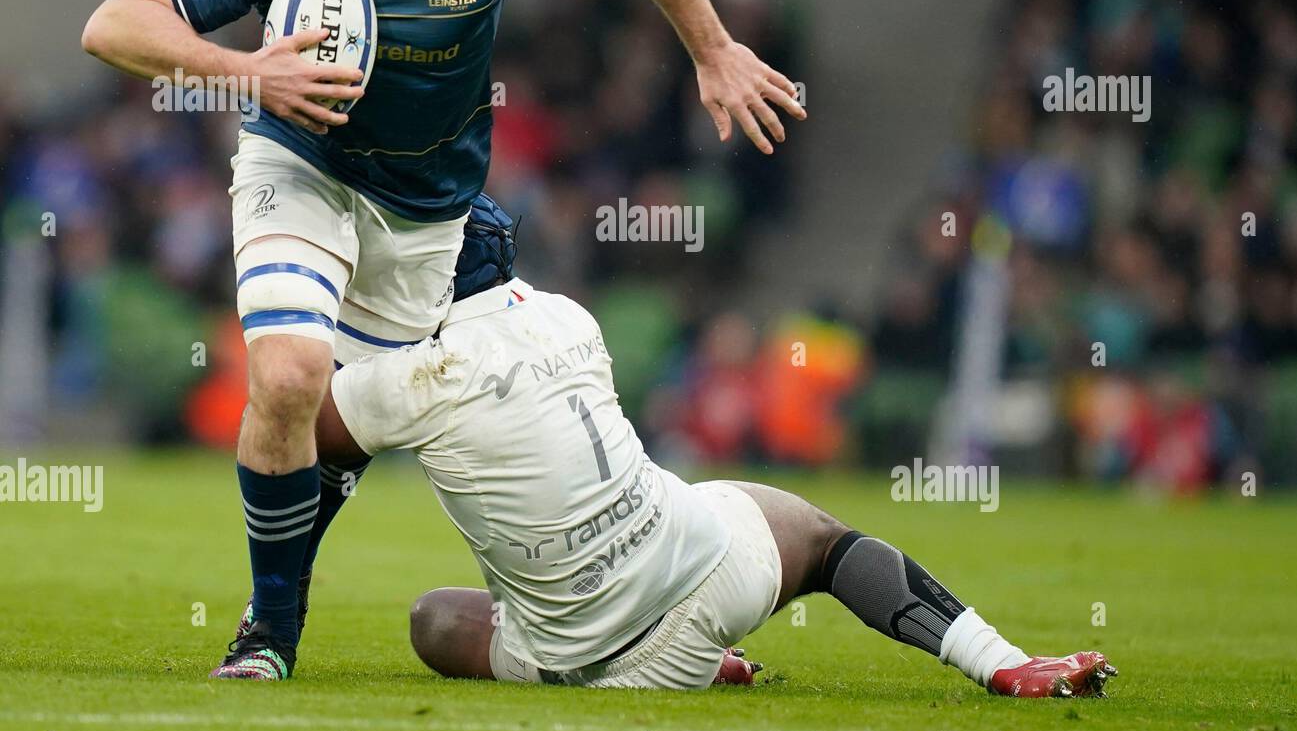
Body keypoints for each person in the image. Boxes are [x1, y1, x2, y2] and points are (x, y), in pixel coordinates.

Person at [81, 0, 805, 680]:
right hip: (299, 169)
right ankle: (270, 630)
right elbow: (113, 23)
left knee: (358, 424)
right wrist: (248, 71)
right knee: (293, 373)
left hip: (427, 215)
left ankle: (630, 606)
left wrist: (712, 51)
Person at [310, 194, 1116, 696]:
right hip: (704, 581)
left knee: (433, 620)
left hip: (576, 660)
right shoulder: (568, 314)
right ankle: (1002, 662)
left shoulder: (406, 376)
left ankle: (700, 663)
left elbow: (304, 434)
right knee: (822, 540)